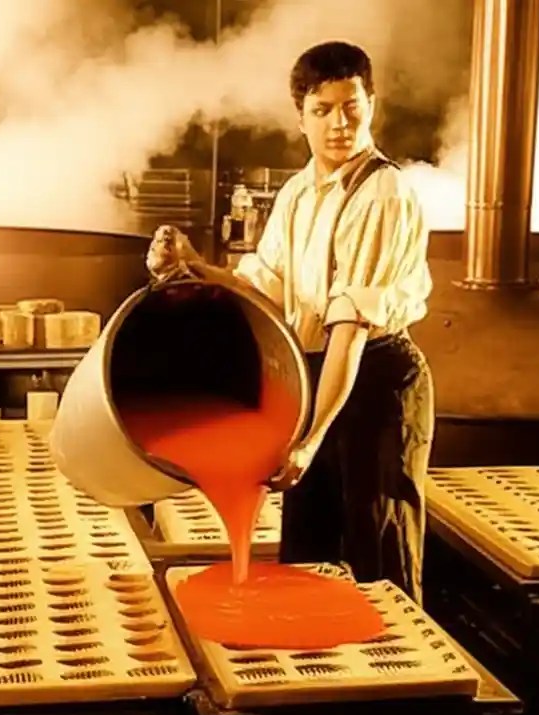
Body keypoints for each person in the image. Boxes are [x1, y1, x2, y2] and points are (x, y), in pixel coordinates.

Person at [146, 40, 434, 603]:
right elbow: (265, 289)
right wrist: (192, 264)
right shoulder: (299, 193)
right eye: (322, 110)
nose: (339, 124)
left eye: (351, 106)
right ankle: (322, 680)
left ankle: (398, 686)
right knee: (310, 547)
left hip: (374, 382)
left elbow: (349, 329)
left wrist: (310, 437)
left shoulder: (382, 191)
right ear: (300, 116)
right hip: (317, 375)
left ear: (371, 104)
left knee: (379, 552)